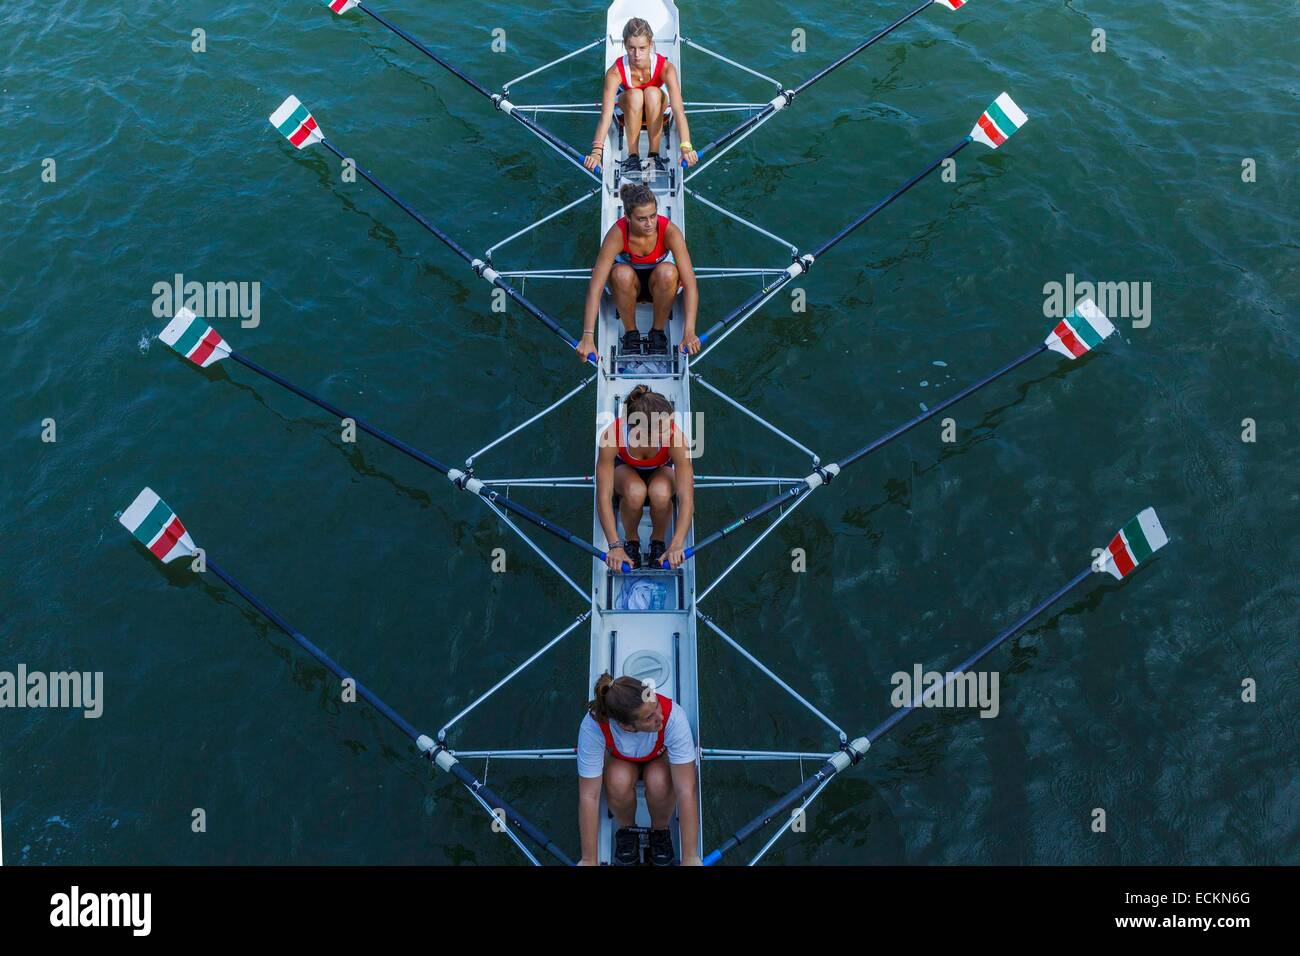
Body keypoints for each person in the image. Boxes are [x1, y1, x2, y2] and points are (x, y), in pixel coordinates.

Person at [577, 674, 701, 866]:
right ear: (626, 726)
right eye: (649, 717)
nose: (660, 717)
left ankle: (660, 831)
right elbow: (589, 796)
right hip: (621, 762)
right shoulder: (592, 725)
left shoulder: (673, 717)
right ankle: (628, 831)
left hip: (659, 758)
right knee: (618, 781)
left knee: (659, 781)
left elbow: (686, 791)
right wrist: (588, 860)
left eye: (656, 703)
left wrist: (691, 858)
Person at [576, 183, 700, 360]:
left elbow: (690, 285)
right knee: (621, 274)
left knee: (669, 272)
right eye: (641, 219)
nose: (649, 224)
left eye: (653, 216)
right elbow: (595, 287)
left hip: (659, 286)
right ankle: (631, 334)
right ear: (627, 217)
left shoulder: (670, 232)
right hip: (626, 287)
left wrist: (689, 331)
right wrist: (587, 335)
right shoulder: (616, 235)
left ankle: (657, 332)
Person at [595, 384, 694, 571]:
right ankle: (631, 541)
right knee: (635, 491)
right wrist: (614, 546)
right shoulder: (611, 436)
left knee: (661, 493)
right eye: (665, 429)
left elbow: (686, 497)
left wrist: (677, 543)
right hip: (624, 470)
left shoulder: (676, 438)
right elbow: (603, 496)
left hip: (661, 471)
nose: (672, 430)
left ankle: (658, 541)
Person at [584, 18, 697, 178]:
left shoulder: (666, 68)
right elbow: (606, 115)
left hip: (656, 104)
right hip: (630, 105)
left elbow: (678, 111)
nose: (637, 54)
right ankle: (633, 157)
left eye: (642, 48)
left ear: (651, 45)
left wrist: (686, 147)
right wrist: (596, 153)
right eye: (631, 48)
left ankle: (653, 155)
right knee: (636, 95)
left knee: (651, 92)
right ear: (624, 45)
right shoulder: (615, 72)